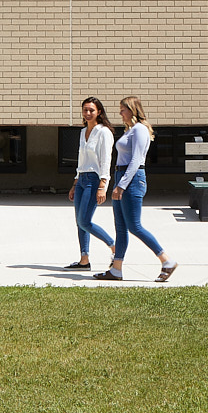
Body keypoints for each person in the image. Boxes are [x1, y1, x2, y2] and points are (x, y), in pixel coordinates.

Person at [95, 96, 175, 282]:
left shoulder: (140, 129)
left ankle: (166, 261)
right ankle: (116, 270)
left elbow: (137, 160)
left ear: (132, 110)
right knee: (121, 227)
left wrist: (121, 185)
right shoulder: (130, 130)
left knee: (134, 226)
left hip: (131, 179)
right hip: (121, 177)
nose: (120, 113)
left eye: (123, 109)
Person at [66, 96, 115, 269]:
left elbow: (106, 160)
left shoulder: (104, 132)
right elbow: (81, 159)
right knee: (79, 221)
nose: (88, 113)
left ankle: (114, 246)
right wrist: (74, 183)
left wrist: (103, 185)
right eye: (85, 110)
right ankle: (84, 259)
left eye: (91, 110)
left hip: (94, 180)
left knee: (85, 221)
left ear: (99, 112)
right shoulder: (82, 132)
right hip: (81, 179)